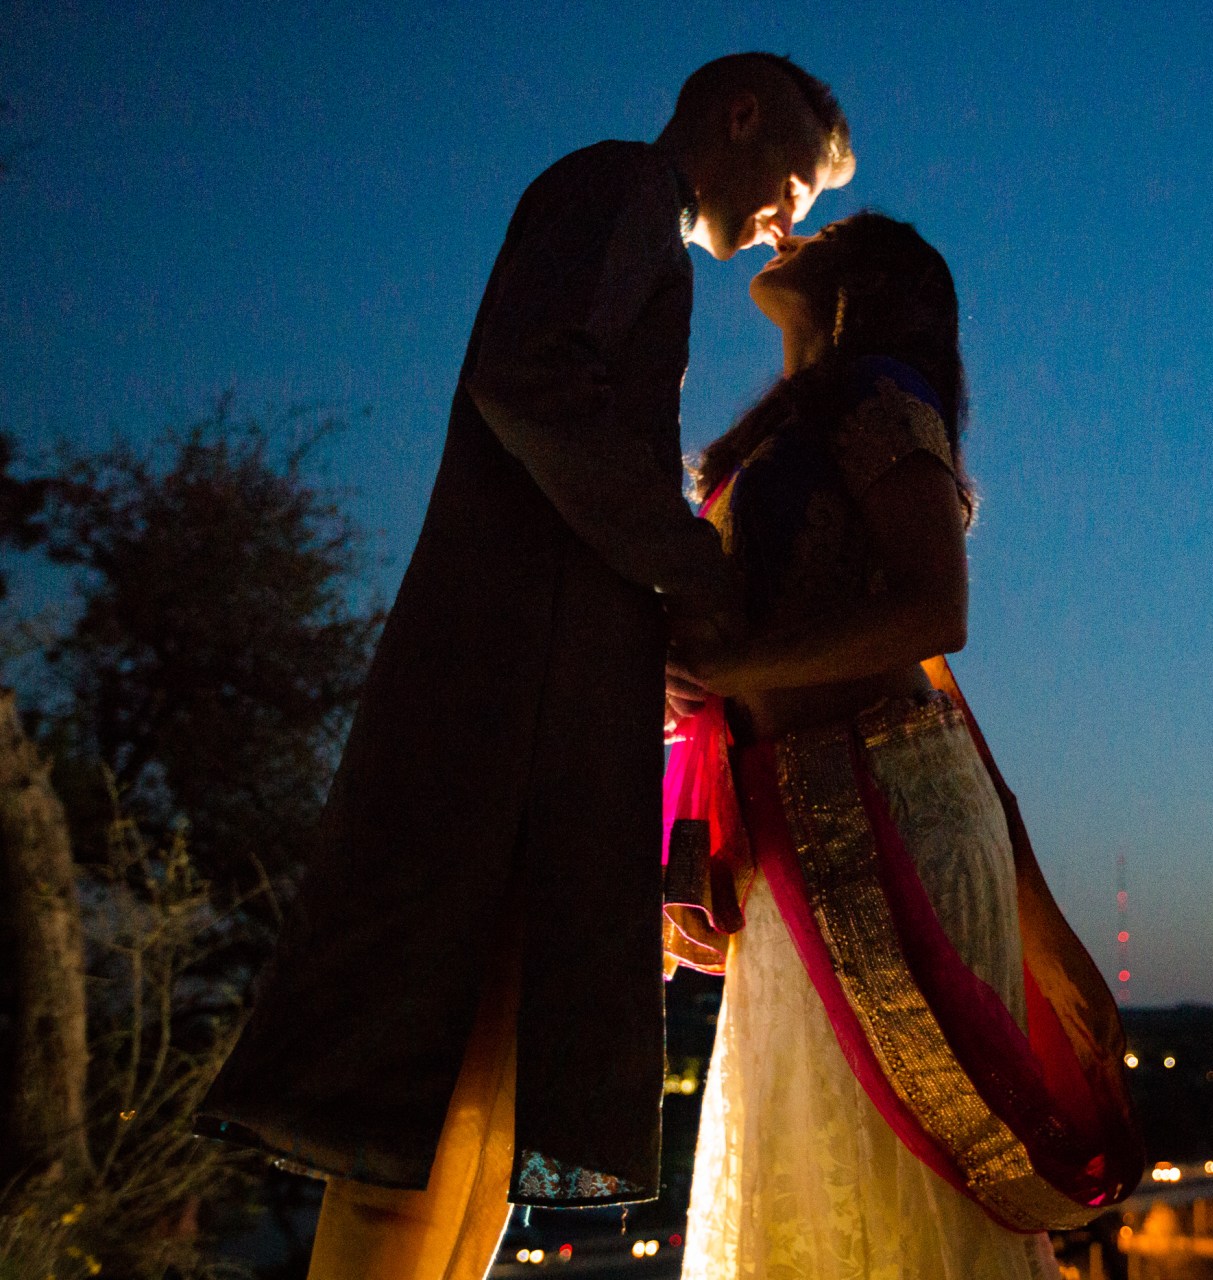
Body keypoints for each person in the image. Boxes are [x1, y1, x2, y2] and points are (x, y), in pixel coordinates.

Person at [193, 54, 852, 1278]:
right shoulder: (614, 188)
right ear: (742, 113)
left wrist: (638, 649)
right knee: (429, 1092)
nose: (787, 222)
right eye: (796, 183)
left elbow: (566, 467)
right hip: (495, 719)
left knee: (484, 1109)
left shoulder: (636, 222)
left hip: (541, 715)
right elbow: (528, 378)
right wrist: (692, 572)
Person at [661, 213, 1143, 1279]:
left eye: (825, 229)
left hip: (892, 807)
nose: (792, 229)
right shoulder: (782, 437)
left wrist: (733, 670)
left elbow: (934, 611)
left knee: (897, 1179)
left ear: (871, 283)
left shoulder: (879, 396)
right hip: (788, 825)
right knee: (812, 1155)